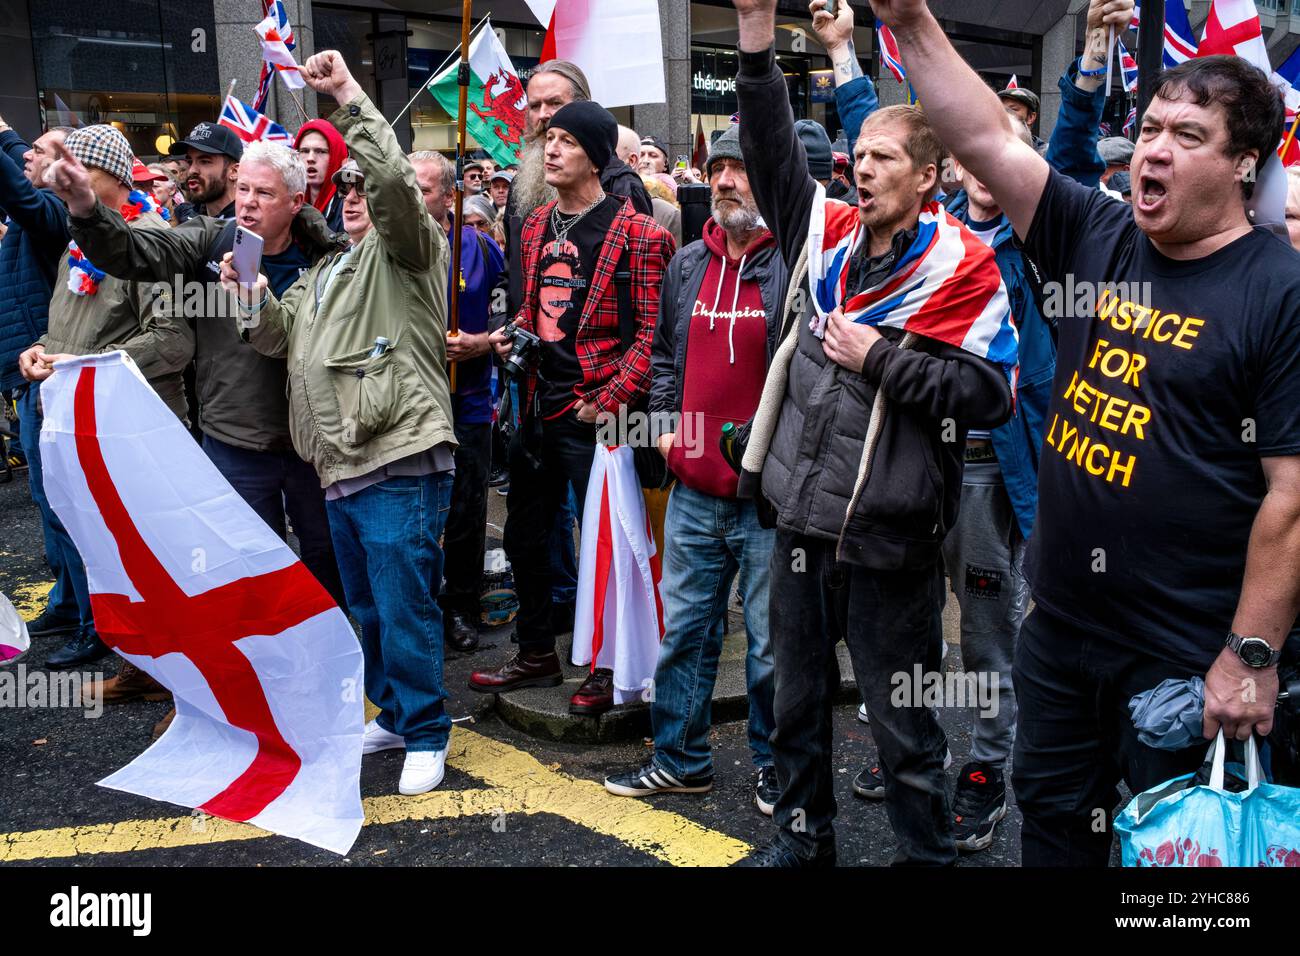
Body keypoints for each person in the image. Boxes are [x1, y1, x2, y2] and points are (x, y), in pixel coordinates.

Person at [878, 0, 1300, 866]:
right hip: (1063, 627)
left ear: (1245, 165)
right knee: (1056, 824)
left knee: (1181, 855)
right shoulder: (1098, 234)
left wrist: (1249, 655)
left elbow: (1293, 498)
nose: (1153, 148)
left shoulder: (1280, 291)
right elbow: (989, 141)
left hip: (1186, 656)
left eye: (1189, 135)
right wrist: (909, 19)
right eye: (1150, 127)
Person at [728, 0, 1014, 867]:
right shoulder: (827, 238)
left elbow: (987, 395)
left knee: (903, 725)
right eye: (858, 156)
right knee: (796, 707)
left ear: (928, 176)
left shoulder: (963, 267)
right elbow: (772, 150)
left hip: (889, 537)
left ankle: (922, 857)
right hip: (802, 524)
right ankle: (801, 841)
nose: (860, 168)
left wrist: (880, 359)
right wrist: (753, 28)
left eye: (882, 158)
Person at [221, 50, 459, 797]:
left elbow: (391, 183)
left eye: (361, 188)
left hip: (399, 460)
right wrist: (250, 290)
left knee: (403, 603)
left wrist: (352, 94)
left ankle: (428, 730)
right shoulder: (327, 273)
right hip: (341, 469)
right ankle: (394, 711)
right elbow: (275, 338)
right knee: (367, 606)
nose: (354, 195)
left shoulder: (409, 255)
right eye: (343, 188)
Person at [61, 140, 350, 718]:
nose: (246, 204)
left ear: (296, 202)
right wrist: (86, 208)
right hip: (234, 441)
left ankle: (327, 678)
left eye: (263, 194)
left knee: (325, 564)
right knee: (238, 572)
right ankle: (237, 693)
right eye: (242, 188)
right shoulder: (207, 242)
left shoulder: (331, 259)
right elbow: (135, 251)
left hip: (312, 444)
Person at [470, 101, 674, 715]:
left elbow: (653, 337)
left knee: (607, 545)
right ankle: (536, 650)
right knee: (528, 537)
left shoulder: (640, 234)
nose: (550, 149)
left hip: (599, 415)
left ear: (596, 154)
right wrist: (517, 332)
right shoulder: (533, 228)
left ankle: (609, 663)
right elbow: (533, 306)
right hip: (535, 405)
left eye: (564, 140)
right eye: (547, 139)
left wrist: (608, 400)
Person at [604, 124, 780, 813]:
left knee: (770, 647)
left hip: (766, 496)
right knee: (686, 633)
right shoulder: (688, 264)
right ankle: (680, 759)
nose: (727, 181)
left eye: (741, 168)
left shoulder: (793, 261)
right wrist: (669, 432)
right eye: (719, 168)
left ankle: (774, 764)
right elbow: (667, 359)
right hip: (695, 491)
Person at [23, 124, 193, 670]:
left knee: (135, 545)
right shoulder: (79, 242)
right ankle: (97, 623)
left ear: (111, 179)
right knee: (79, 526)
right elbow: (67, 323)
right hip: (72, 413)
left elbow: (172, 341)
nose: (62, 180)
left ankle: (141, 651)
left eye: (78, 170)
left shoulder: (150, 243)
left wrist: (85, 368)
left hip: (126, 422)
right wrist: (41, 349)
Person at [409, 149, 505, 654]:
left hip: (466, 403)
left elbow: (514, 318)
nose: (411, 197)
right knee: (414, 515)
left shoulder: (481, 249)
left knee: (465, 513)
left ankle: (461, 608)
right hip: (409, 407)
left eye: (421, 189)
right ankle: (416, 609)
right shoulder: (383, 248)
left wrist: (480, 342)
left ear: (451, 196)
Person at [0, 118, 77, 642]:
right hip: (25, 374)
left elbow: (20, 194)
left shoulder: (54, 213)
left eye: (38, 151)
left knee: (62, 508)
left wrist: (3, 141)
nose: (28, 155)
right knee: (49, 503)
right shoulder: (35, 215)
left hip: (45, 375)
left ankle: (91, 618)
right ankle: (68, 602)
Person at [169, 122, 241, 223]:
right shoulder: (186, 219)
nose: (191, 170)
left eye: (204, 162)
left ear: (234, 171)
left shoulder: (250, 226)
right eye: (189, 161)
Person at [294, 119, 347, 232]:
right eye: (304, 151)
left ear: (335, 156)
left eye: (320, 151)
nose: (310, 159)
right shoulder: (290, 203)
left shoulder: (349, 204)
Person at [997, 83, 1046, 152]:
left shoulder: (1044, 154)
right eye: (1001, 109)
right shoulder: (990, 148)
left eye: (1013, 109)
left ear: (1030, 117)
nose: (1005, 114)